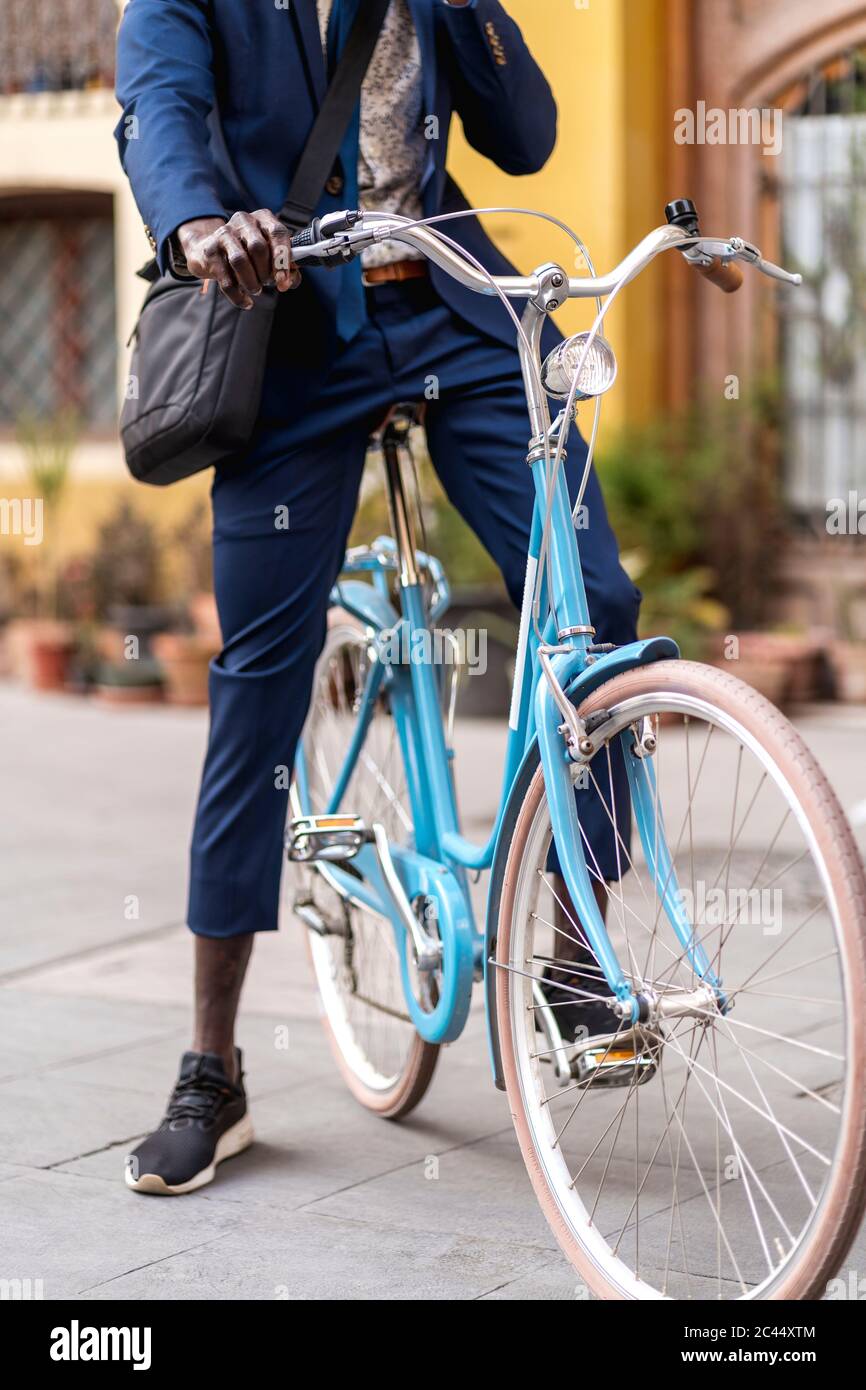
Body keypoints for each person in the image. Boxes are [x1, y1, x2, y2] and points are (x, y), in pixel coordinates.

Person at [114, 0, 640, 1195]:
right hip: (288, 330)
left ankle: (573, 958)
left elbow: (527, 138)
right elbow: (159, 108)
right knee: (261, 675)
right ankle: (212, 1067)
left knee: (595, 605)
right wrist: (201, 221)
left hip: (455, 310)